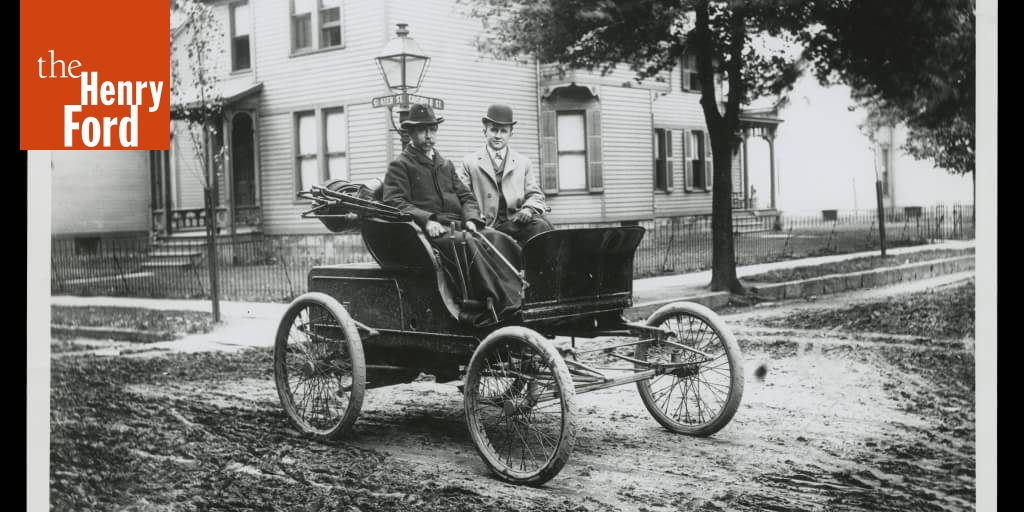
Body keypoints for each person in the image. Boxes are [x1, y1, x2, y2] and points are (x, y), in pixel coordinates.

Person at [382, 103, 523, 327]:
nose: (429, 136)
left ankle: (521, 296)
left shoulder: (445, 165)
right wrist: (427, 220)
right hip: (429, 232)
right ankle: (498, 306)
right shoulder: (401, 165)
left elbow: (466, 196)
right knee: (468, 244)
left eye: (432, 129)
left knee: (496, 237)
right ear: (411, 133)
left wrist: (472, 219)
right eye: (422, 130)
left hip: (458, 224)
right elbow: (394, 202)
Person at [459, 104, 553, 247]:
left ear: (510, 134)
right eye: (493, 130)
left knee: (541, 225)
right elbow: (463, 198)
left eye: (503, 131)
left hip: (516, 223)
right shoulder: (470, 163)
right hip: (486, 226)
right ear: (485, 131)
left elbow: (535, 195)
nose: (498, 136)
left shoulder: (523, 162)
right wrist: (475, 219)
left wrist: (527, 209)